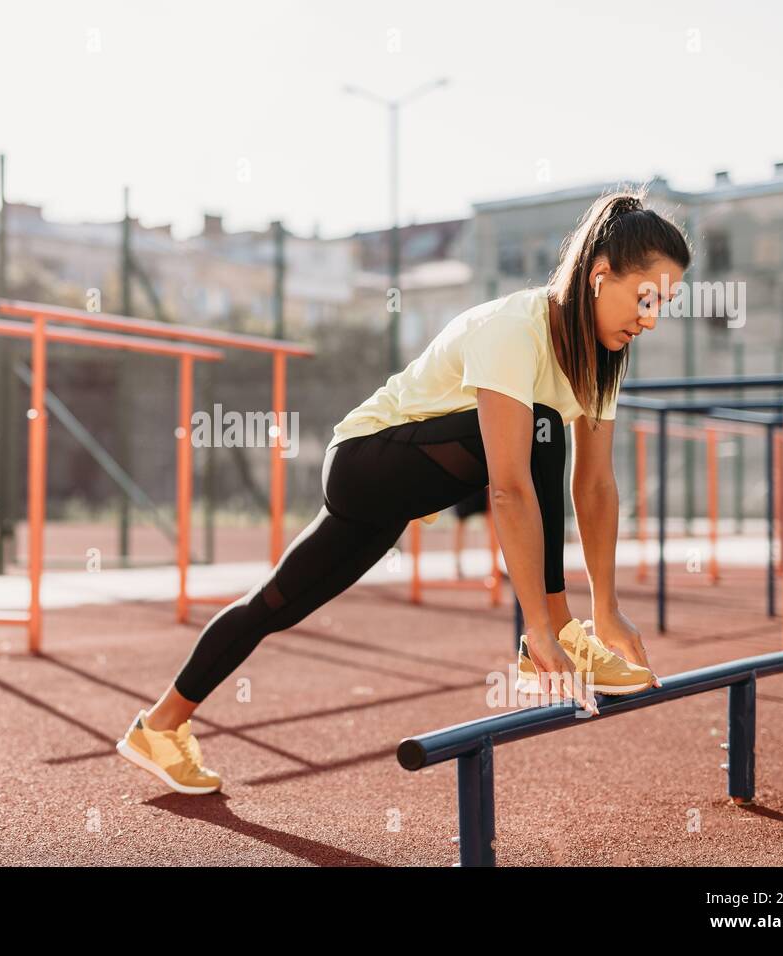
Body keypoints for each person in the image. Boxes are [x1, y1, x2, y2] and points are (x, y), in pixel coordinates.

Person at [117, 189, 691, 794]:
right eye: (646, 298)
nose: (651, 318)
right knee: (543, 427)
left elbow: (595, 486)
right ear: (600, 276)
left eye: (665, 304)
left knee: (274, 604)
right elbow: (511, 487)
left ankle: (158, 726)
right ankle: (551, 633)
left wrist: (607, 605)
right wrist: (544, 629)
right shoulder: (514, 330)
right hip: (367, 460)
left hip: (402, 492)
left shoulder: (602, 359)